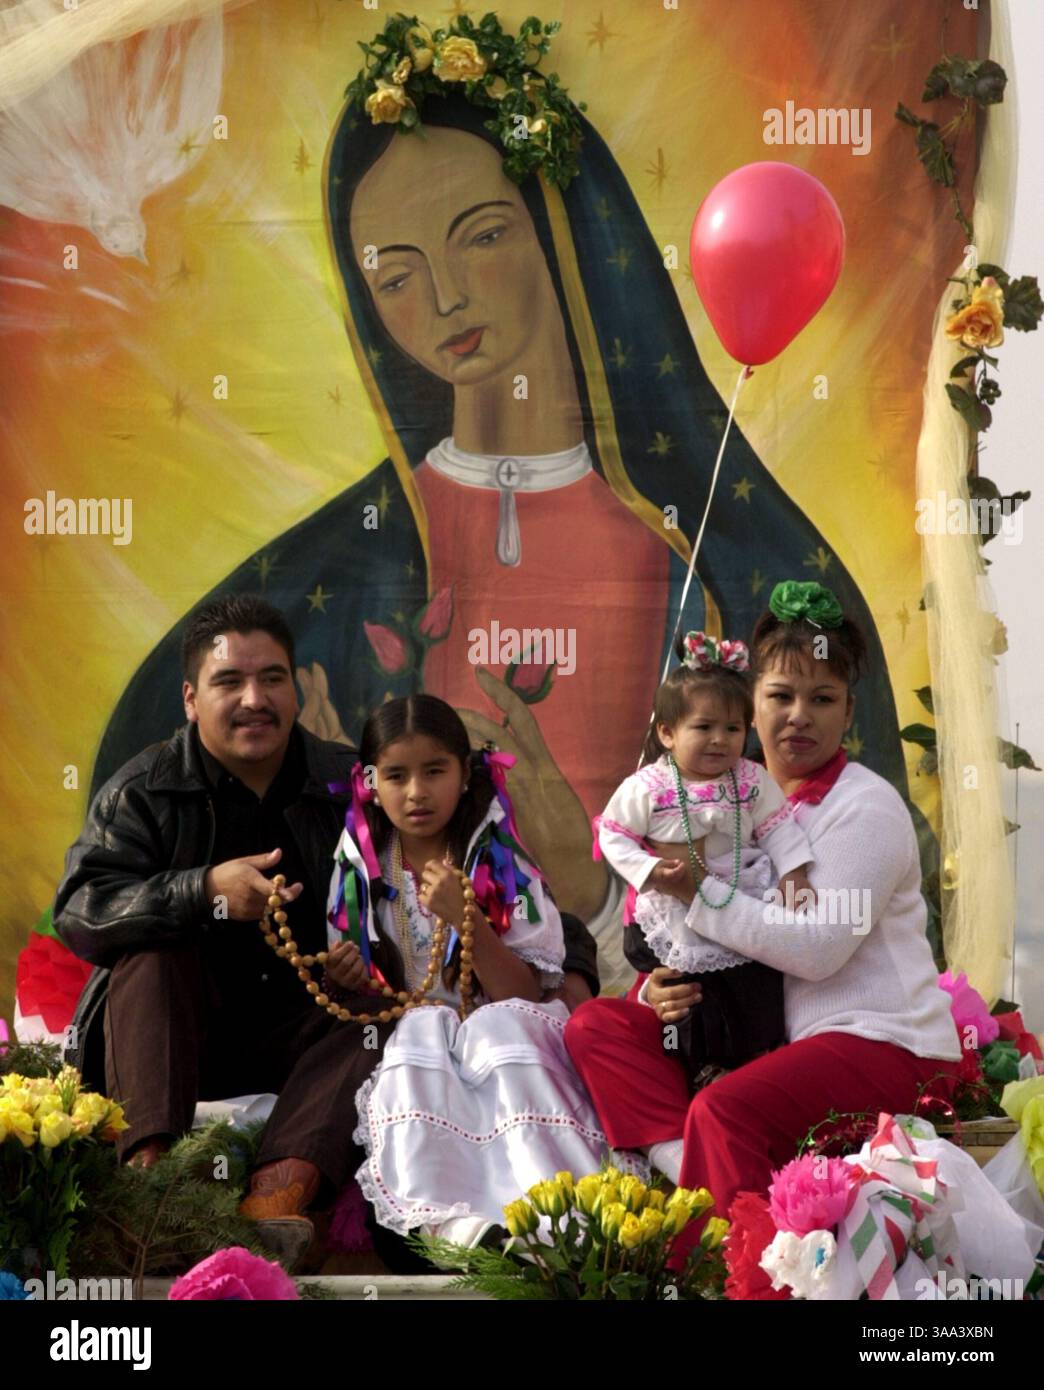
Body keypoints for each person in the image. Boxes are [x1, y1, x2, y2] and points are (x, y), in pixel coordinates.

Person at [82, 70, 911, 993]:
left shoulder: (725, 545)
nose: (443, 301)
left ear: (567, 241)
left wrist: (595, 881)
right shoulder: (332, 574)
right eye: (395, 274)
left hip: (672, 990)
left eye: (481, 237)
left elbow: (806, 848)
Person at [52, 592, 600, 1263]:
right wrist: (201, 891)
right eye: (230, 681)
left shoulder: (350, 783)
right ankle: (149, 1197)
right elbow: (81, 911)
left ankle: (272, 1210)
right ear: (192, 699)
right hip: (171, 1035)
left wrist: (567, 978)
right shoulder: (143, 791)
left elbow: (522, 894)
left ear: (296, 690)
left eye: (272, 678)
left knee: (382, 1014)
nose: (254, 698)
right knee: (153, 955)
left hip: (305, 1030)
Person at [565, 580, 962, 1274]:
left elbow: (814, 950)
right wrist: (659, 992)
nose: (798, 717)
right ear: (749, 707)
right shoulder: (726, 797)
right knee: (598, 1025)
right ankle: (688, 1175)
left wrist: (698, 887)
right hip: (758, 1030)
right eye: (780, 696)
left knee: (724, 1111)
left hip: (881, 1043)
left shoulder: (864, 808)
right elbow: (681, 922)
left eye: (823, 699)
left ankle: (728, 1277)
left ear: (849, 712)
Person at [331, 693, 633, 1248]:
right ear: (369, 782)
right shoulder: (359, 865)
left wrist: (467, 915)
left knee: (497, 1027)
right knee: (420, 1031)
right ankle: (455, 1224)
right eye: (396, 775)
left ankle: (559, 1211)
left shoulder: (499, 860)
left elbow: (522, 993)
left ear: (467, 776)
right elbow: (367, 995)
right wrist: (348, 974)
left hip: (499, 1034)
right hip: (415, 1051)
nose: (416, 792)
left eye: (434, 771)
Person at [596, 628, 814, 1077]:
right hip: (672, 904)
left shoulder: (751, 779)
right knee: (690, 993)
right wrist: (651, 871)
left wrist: (794, 874)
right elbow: (611, 834)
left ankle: (761, 1056)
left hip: (740, 897)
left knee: (753, 984)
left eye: (733, 728)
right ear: (667, 732)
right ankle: (699, 1067)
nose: (720, 739)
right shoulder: (648, 786)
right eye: (703, 727)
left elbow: (778, 829)